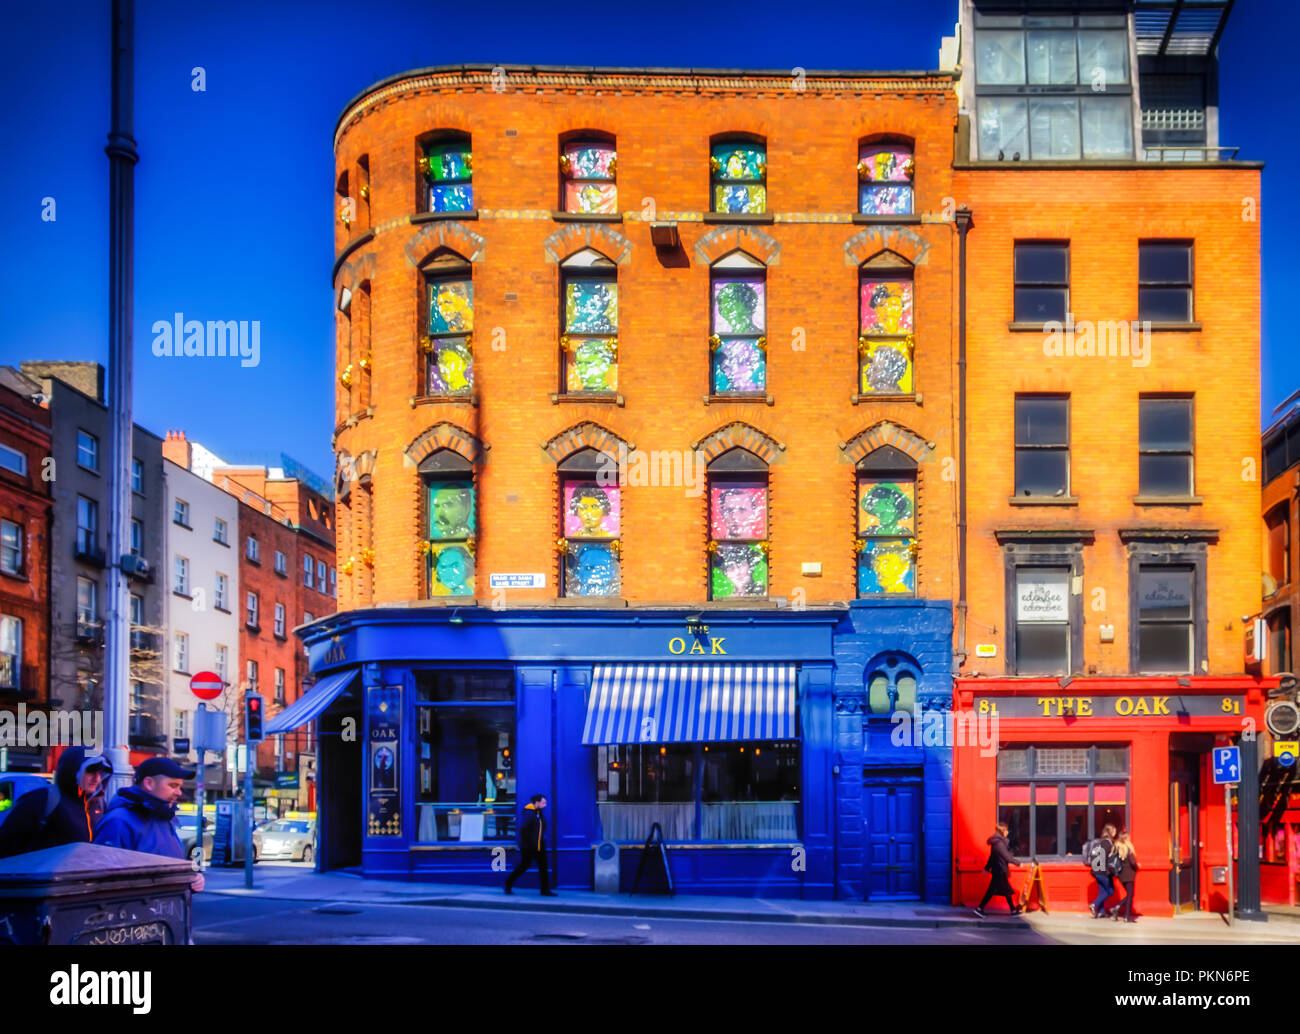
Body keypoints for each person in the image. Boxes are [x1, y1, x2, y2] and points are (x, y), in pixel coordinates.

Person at [94, 757, 204, 892]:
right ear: (149, 783)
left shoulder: (163, 817)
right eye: (173, 785)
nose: (179, 793)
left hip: (165, 907)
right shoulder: (118, 822)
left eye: (180, 786)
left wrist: (192, 879)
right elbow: (104, 880)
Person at [0, 746, 111, 858]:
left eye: (100, 772)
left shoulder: (98, 804)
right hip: (43, 873)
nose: (97, 779)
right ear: (74, 771)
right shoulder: (42, 799)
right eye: (91, 771)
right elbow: (6, 846)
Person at [504, 794, 555, 897]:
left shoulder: (538, 813)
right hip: (530, 847)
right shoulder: (529, 813)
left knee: (543, 868)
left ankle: (545, 890)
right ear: (537, 803)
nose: (545, 805)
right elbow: (524, 829)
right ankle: (508, 884)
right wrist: (532, 842)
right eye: (543, 802)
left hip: (539, 846)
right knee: (523, 867)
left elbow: (539, 828)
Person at [973, 821, 1022, 917]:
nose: (1008, 832)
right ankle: (1012, 910)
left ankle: (980, 909)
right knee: (1004, 890)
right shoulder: (998, 843)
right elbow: (1006, 856)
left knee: (998, 890)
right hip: (1000, 870)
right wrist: (1018, 863)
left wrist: (987, 868)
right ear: (1003, 831)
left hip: (998, 869)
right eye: (1007, 830)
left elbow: (992, 857)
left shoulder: (998, 842)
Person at [1086, 822, 1118, 917]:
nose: (1115, 832)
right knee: (1110, 891)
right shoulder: (1107, 843)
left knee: (1103, 891)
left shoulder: (1100, 842)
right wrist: (1108, 871)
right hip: (1102, 871)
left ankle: (1101, 912)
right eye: (1115, 831)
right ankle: (1094, 904)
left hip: (1096, 870)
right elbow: (1105, 858)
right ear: (1111, 832)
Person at [1109, 831, 1139, 922]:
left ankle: (1117, 909)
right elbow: (1133, 862)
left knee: (1129, 895)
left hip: (1121, 875)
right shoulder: (1128, 848)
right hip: (1129, 874)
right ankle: (1126, 916)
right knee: (1130, 895)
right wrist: (1137, 866)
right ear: (1126, 838)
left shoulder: (1117, 847)